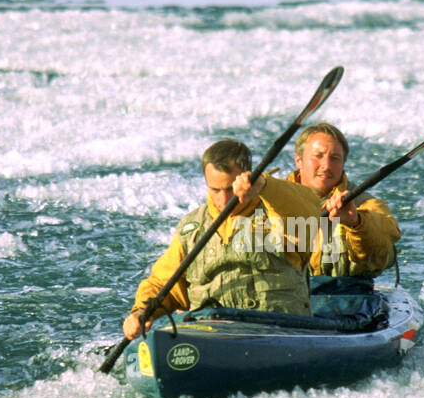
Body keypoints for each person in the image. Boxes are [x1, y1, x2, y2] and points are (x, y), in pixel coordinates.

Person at [123, 139, 323, 339]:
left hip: (277, 334)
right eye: (215, 190)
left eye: (230, 189)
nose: (223, 200)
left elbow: (309, 212)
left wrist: (263, 185)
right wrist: (141, 312)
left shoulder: (278, 213)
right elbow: (164, 283)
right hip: (210, 337)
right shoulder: (191, 227)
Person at [289, 122, 401, 279]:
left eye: (335, 158)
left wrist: (356, 222)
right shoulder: (271, 199)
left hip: (348, 296)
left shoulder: (365, 204)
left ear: (343, 164)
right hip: (287, 296)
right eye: (318, 156)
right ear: (298, 160)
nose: (326, 165)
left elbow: (385, 243)